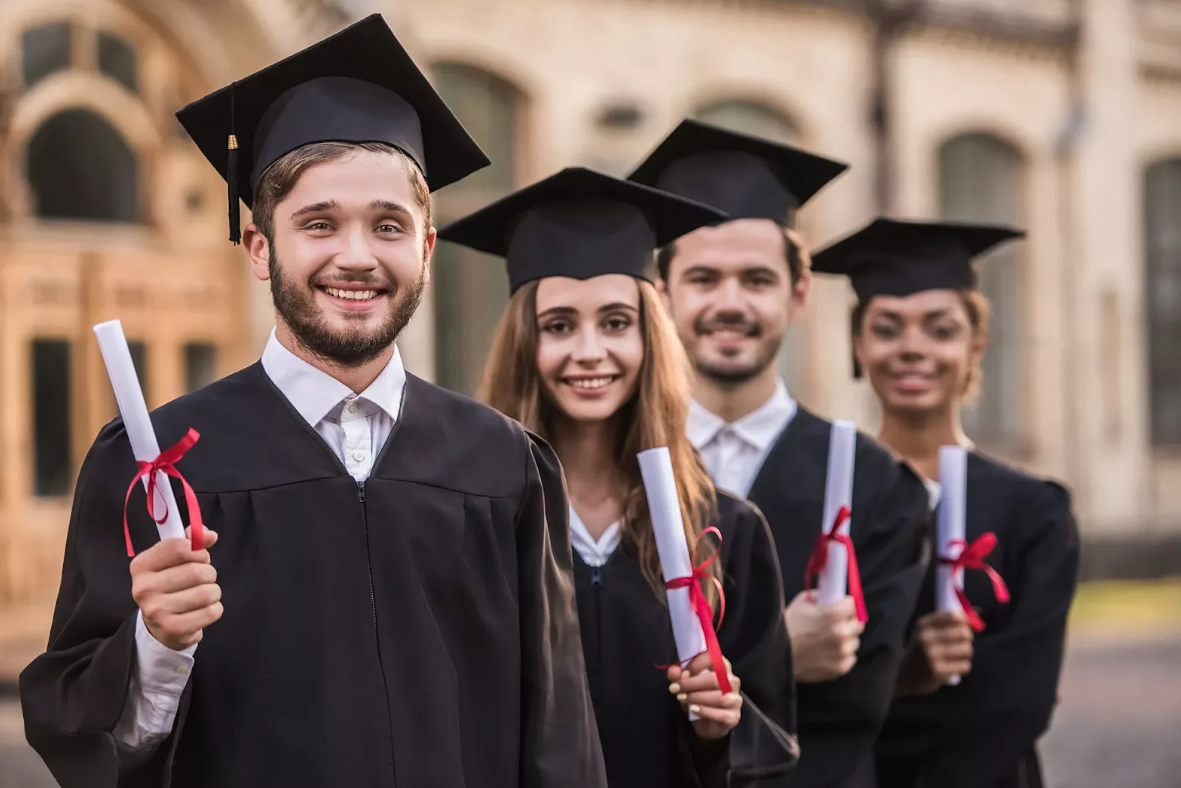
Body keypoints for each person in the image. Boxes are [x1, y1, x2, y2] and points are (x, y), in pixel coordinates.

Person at [19, 15, 605, 788]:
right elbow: (86, 747)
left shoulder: (505, 466)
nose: (356, 256)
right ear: (261, 248)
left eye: (388, 226)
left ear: (426, 249)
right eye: (319, 224)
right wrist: (155, 643)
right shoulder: (153, 463)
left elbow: (560, 743)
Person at [438, 166, 799, 788]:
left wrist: (718, 728)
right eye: (558, 326)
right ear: (526, 342)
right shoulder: (476, 524)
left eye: (615, 322)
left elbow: (769, 737)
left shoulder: (724, 529)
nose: (589, 351)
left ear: (647, 337)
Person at [630, 119, 931, 788]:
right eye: (704, 278)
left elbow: (857, 700)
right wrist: (781, 652)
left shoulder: (878, 487)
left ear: (797, 294)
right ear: (661, 294)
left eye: (756, 280)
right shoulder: (614, 474)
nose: (729, 303)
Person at [811, 218, 1081, 788]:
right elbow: (806, 701)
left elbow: (1021, 701)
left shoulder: (1033, 512)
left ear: (975, 346)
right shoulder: (825, 505)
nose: (912, 348)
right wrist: (901, 679)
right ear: (858, 347)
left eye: (940, 329)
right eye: (887, 329)